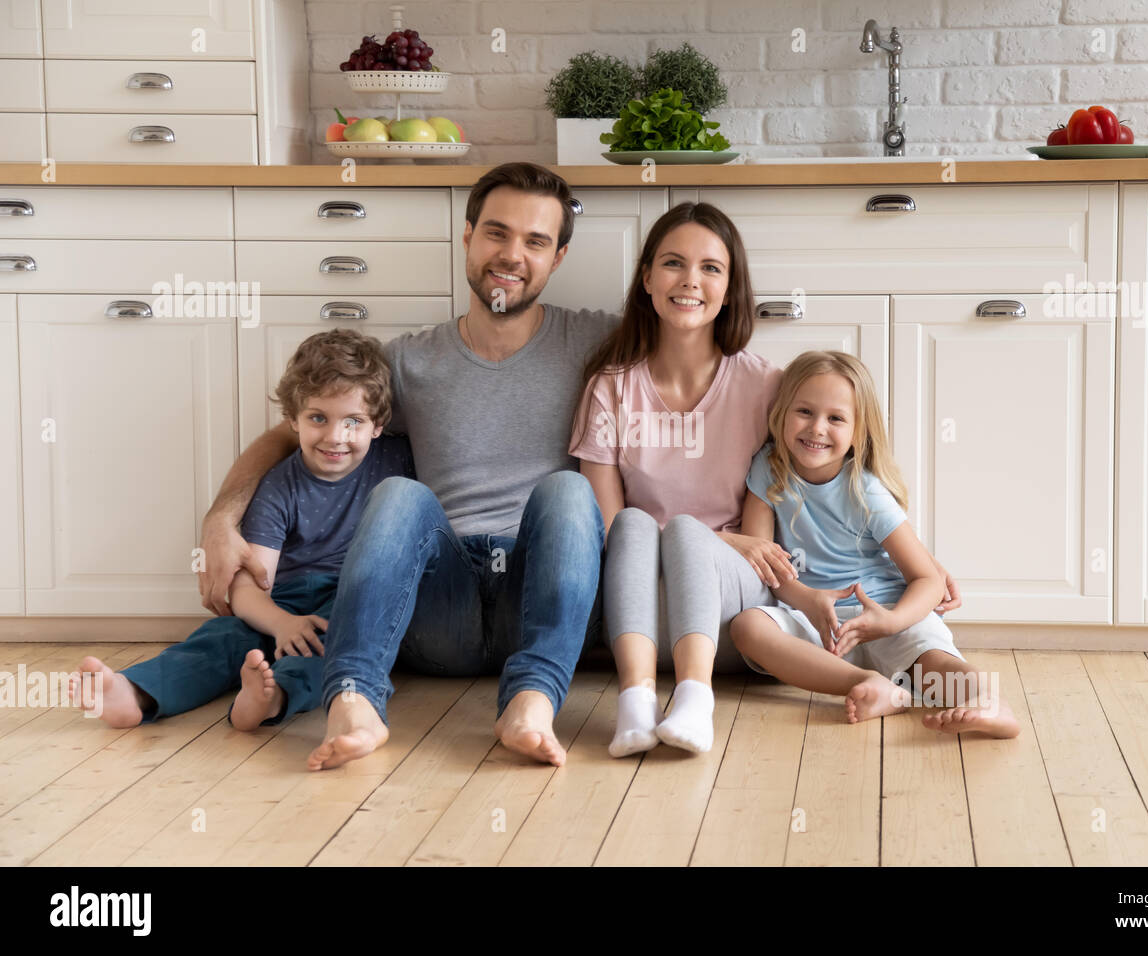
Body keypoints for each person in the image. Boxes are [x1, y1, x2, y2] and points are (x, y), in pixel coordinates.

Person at [196, 162, 619, 770]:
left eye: (536, 241)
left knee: (567, 492)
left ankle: (531, 699)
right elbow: (291, 432)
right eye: (496, 233)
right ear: (467, 237)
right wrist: (221, 519)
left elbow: (695, 338)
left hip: (539, 592)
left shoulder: (597, 341)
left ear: (558, 257)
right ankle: (355, 700)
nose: (512, 254)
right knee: (398, 494)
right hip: (437, 604)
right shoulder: (409, 361)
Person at [72, 329, 416, 732]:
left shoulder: (397, 463)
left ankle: (272, 699)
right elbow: (249, 584)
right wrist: (280, 623)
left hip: (352, 598)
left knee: (328, 641)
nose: (335, 437)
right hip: (282, 601)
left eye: (353, 421)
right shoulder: (279, 485)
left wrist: (299, 629)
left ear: (378, 426)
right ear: (293, 420)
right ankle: (137, 692)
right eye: (318, 418)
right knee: (220, 638)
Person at [570, 202, 789, 757]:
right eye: (673, 264)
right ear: (646, 277)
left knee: (685, 532)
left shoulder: (767, 386)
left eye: (711, 268)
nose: (691, 281)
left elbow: (772, 529)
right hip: (637, 604)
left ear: (730, 285)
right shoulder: (611, 387)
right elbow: (610, 525)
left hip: (732, 608)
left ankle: (696, 698)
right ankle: (636, 703)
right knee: (638, 525)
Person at [729, 351, 1020, 738]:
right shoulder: (768, 469)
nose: (817, 428)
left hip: (884, 613)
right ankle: (870, 683)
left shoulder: (866, 491)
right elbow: (764, 561)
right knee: (748, 627)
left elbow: (928, 580)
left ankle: (990, 703)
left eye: (835, 419)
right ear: (781, 412)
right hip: (812, 617)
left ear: (857, 431)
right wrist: (807, 600)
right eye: (804, 411)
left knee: (936, 664)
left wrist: (892, 620)